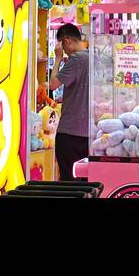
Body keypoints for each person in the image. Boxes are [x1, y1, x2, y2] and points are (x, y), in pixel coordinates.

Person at [48, 23, 89, 181]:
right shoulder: (92, 57)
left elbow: (53, 84)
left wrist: (58, 58)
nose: (63, 51)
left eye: (62, 46)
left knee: (68, 182)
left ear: (67, 40)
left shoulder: (76, 59)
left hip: (70, 133)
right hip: (89, 133)